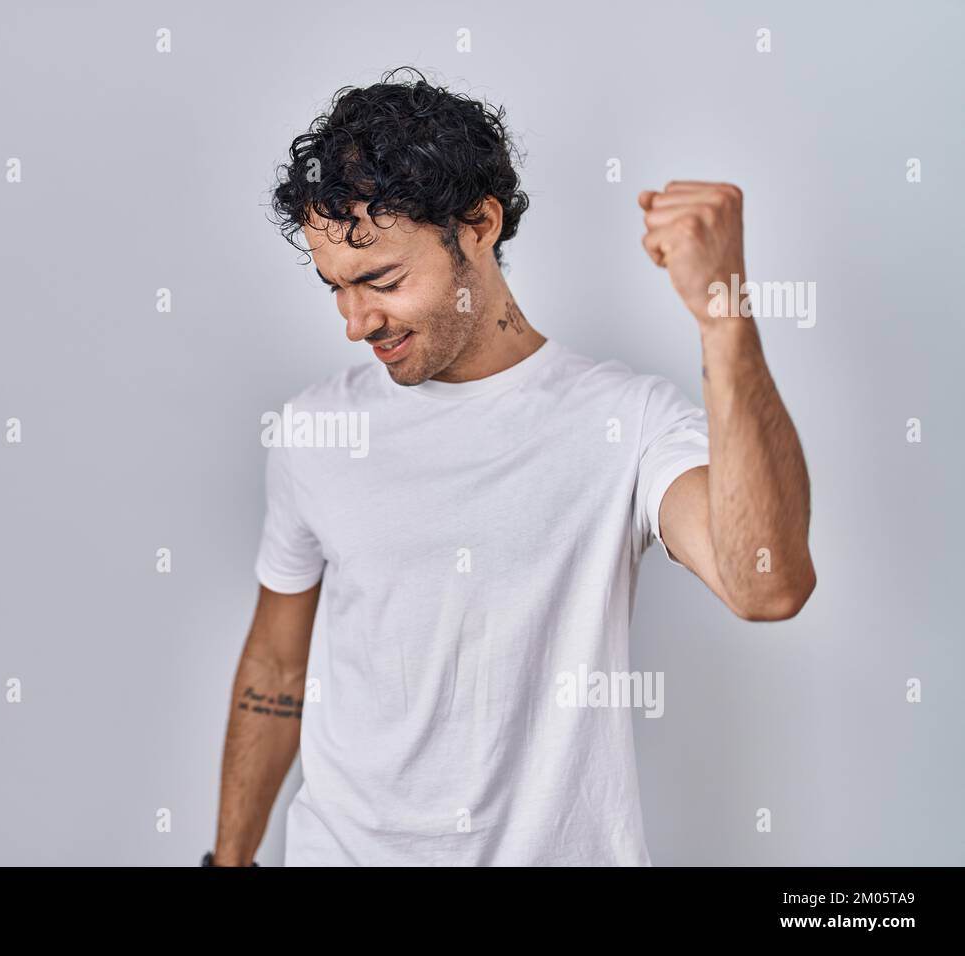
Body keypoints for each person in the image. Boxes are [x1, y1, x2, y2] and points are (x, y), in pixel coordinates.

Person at [206, 67, 816, 866]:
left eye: (382, 280)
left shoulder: (622, 422)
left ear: (479, 224)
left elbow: (767, 585)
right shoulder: (313, 429)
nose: (356, 323)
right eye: (336, 289)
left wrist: (724, 321)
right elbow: (278, 663)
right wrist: (226, 861)